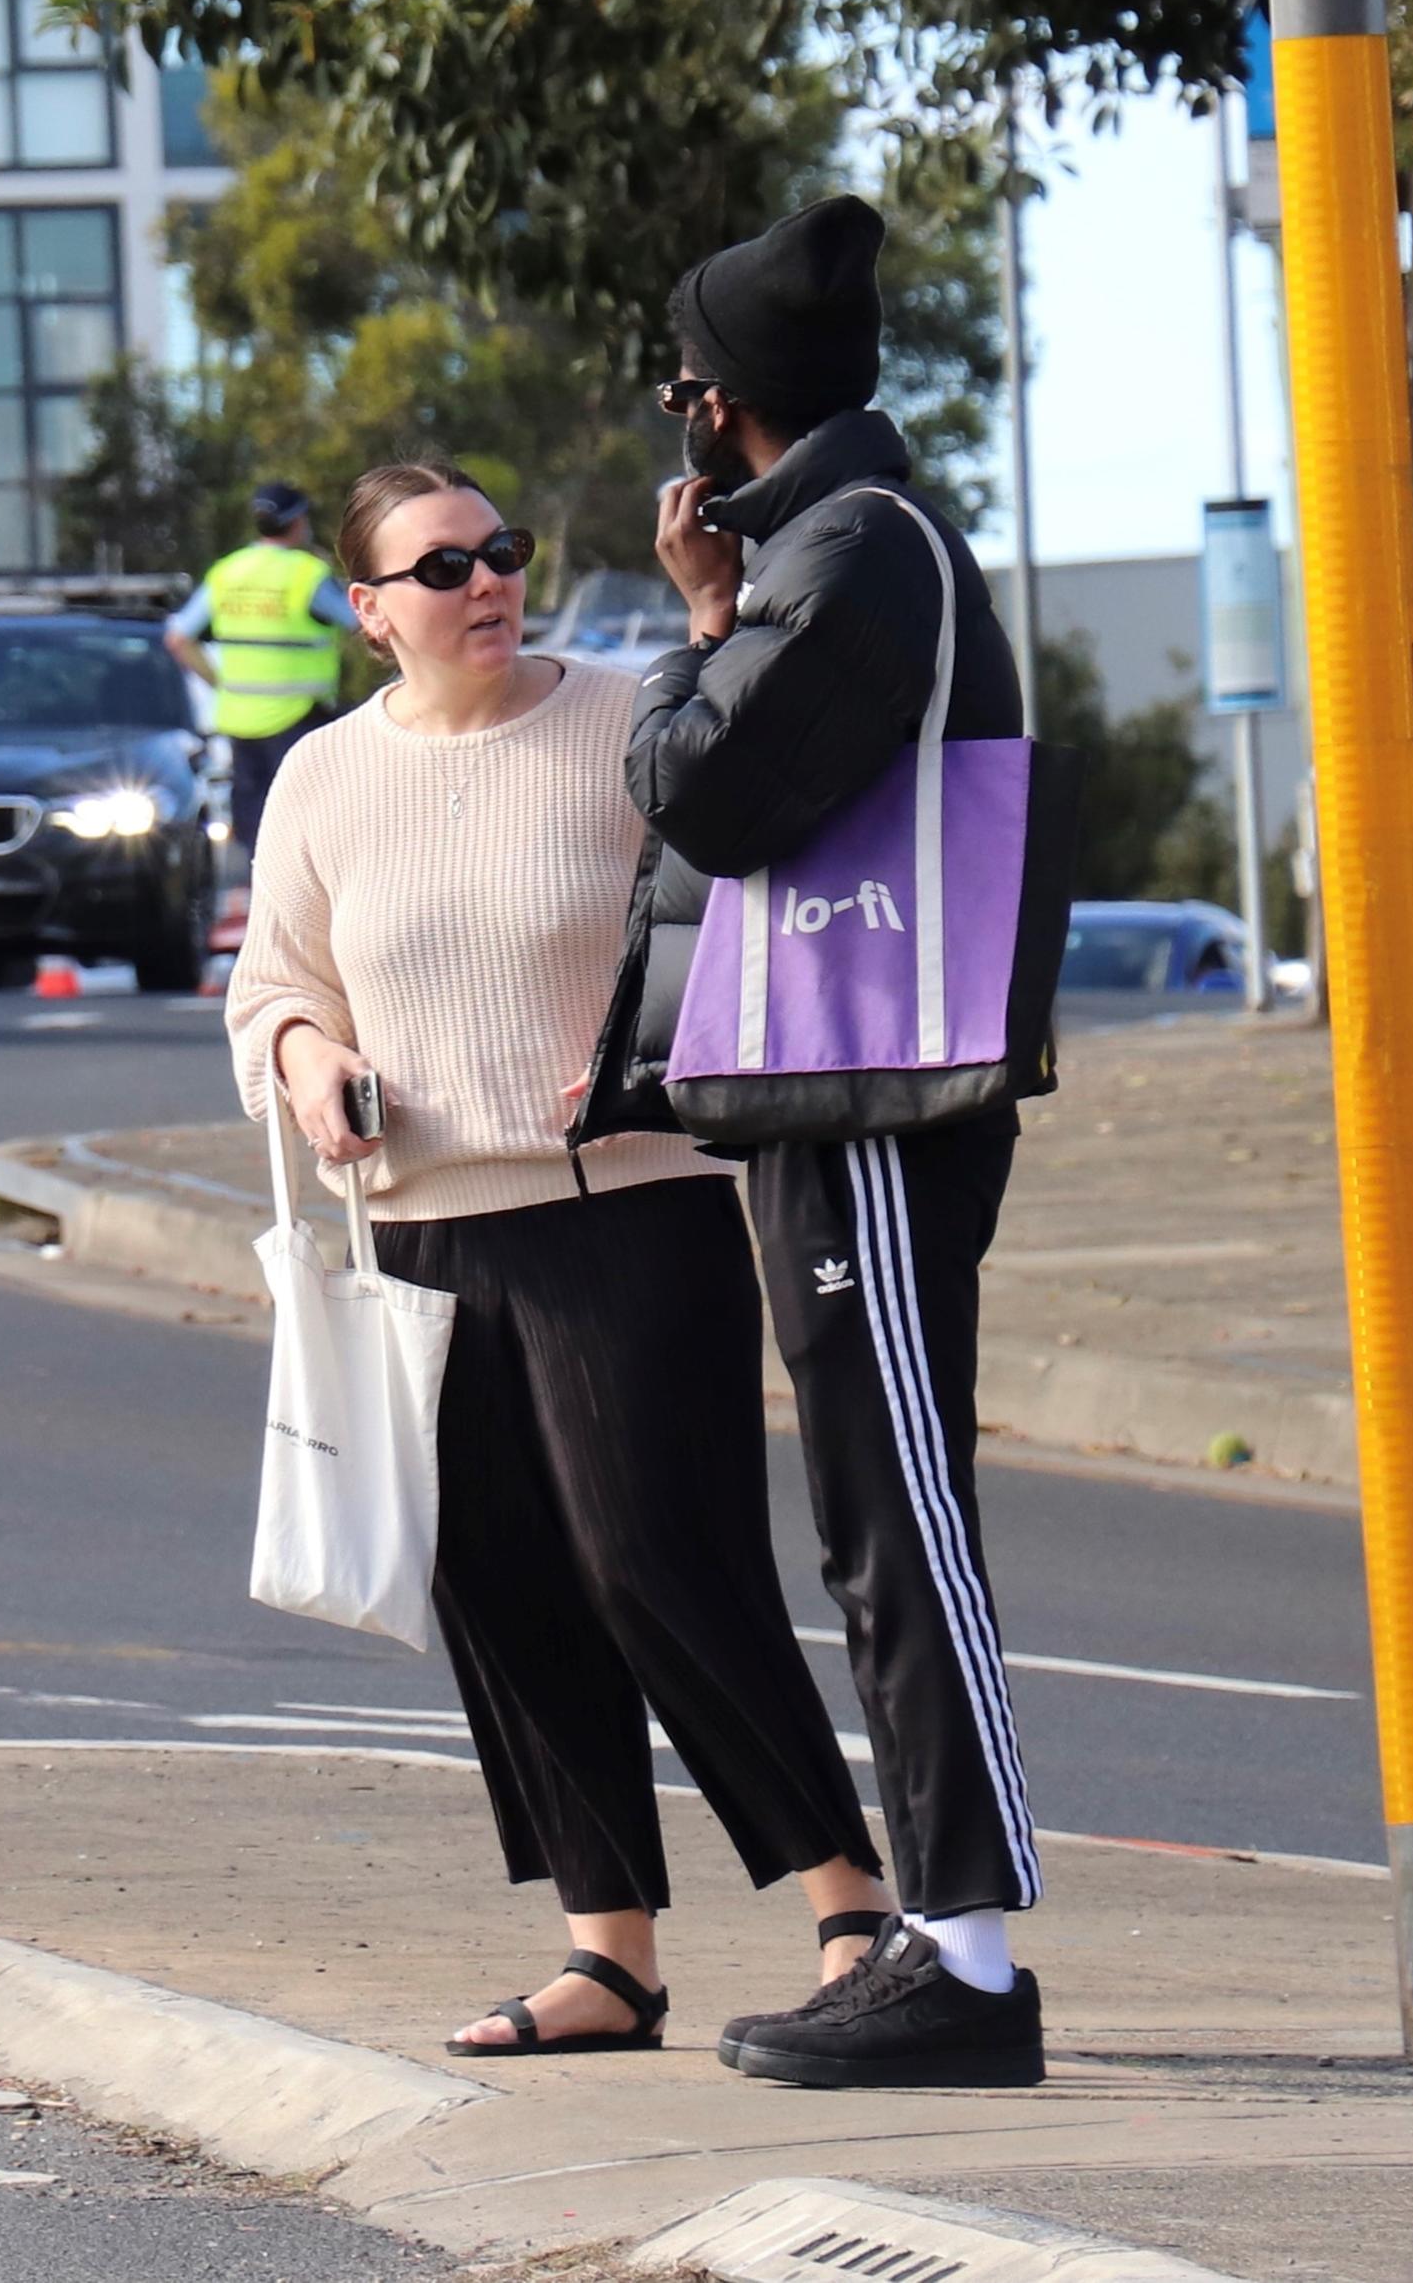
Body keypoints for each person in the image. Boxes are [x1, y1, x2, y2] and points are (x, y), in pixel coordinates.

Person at [231, 460, 891, 2061]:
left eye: (501, 551)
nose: (485, 583)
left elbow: (746, 877)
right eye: (441, 567)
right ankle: (611, 1956)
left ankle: (853, 1908)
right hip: (421, 1228)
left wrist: (713, 623)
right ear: (369, 610)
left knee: (658, 1560)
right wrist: (311, 1059)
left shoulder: (618, 719)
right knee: (504, 1584)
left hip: (627, 1206)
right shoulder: (321, 776)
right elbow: (274, 988)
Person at [601, 194, 1050, 2091]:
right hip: (835, 1082)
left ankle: (971, 1960)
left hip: (869, 1084)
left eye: (682, 388)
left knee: (900, 1510)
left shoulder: (859, 551)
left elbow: (708, 794)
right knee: (874, 1513)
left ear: (722, 403)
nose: (679, 418)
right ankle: (943, 1942)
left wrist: (695, 631)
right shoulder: (845, 540)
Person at [170, 480, 353, 870]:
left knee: (257, 831)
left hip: (241, 719)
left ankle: (263, 896)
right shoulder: (306, 574)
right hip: (298, 717)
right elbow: (360, 621)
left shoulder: (228, 571)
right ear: (299, 521)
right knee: (308, 829)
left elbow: (178, 638)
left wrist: (220, 683)